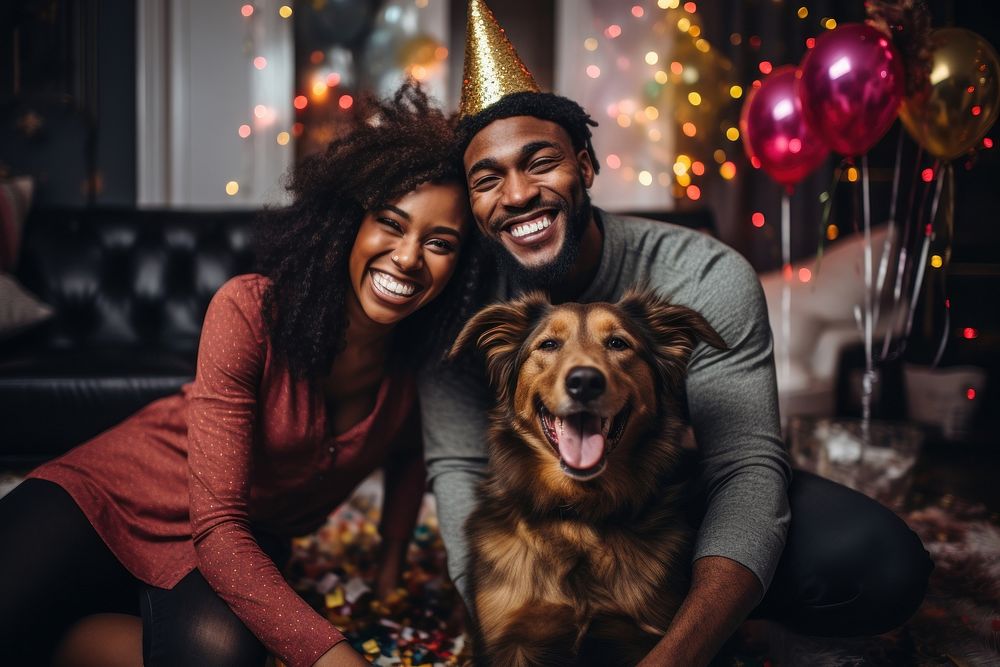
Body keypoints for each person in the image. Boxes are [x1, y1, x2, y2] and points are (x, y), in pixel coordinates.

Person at [418, 2, 934, 665]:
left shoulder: (704, 275)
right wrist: (502, 615)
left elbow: (743, 465)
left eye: (540, 162)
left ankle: (709, 614)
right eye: (488, 180)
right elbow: (460, 467)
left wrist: (676, 654)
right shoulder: (455, 297)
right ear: (473, 203)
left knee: (881, 564)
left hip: (665, 485)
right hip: (526, 513)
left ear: (585, 165)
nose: (516, 194)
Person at [0, 83, 481, 667]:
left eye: (439, 242)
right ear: (349, 222)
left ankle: (68, 639)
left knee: (220, 656)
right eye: (390, 222)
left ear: (461, 266)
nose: (407, 257)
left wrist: (390, 560)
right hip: (112, 497)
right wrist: (333, 657)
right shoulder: (252, 308)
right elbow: (218, 523)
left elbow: (407, 455)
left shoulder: (422, 370)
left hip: (243, 542)